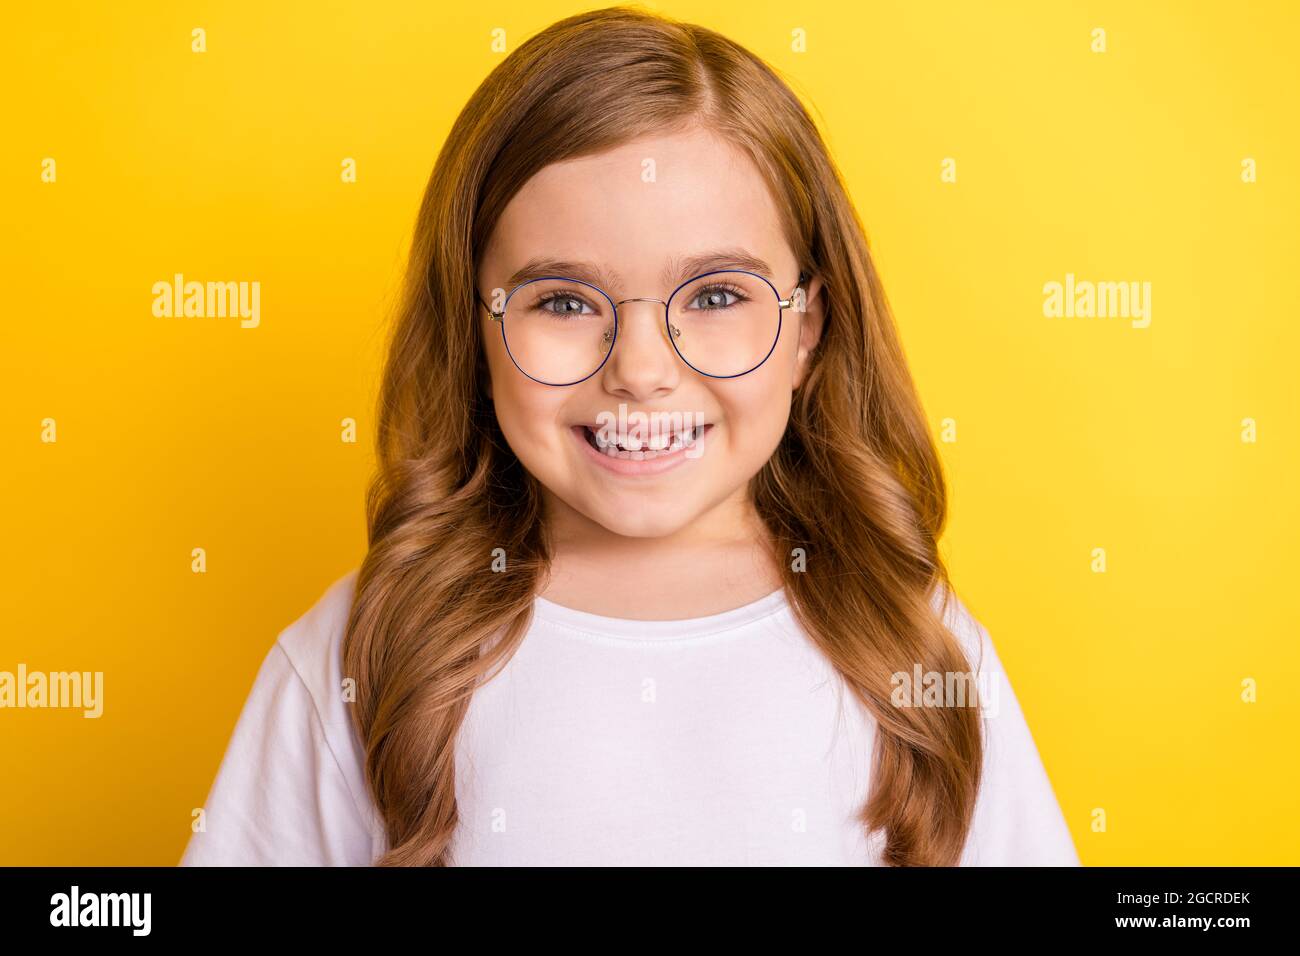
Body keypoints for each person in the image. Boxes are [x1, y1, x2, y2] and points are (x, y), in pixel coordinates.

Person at [181, 5, 1079, 867]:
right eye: (564, 302)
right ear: (477, 332)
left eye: (717, 295)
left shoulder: (913, 645)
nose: (642, 370)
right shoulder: (364, 654)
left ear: (809, 329)